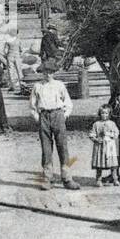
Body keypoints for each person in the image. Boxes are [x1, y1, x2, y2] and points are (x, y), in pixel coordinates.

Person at [29, 62, 78, 191]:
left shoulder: (59, 85)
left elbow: (68, 103)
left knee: (62, 147)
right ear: (42, 73)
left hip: (58, 115)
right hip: (44, 116)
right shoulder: (37, 86)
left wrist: (64, 115)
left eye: (50, 72)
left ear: (54, 73)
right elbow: (33, 106)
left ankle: (67, 178)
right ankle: (47, 178)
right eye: (45, 72)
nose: (48, 75)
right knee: (46, 149)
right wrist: (38, 118)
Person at [89, 105, 120, 186]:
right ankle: (98, 179)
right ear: (100, 114)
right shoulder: (96, 124)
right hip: (100, 147)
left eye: (106, 113)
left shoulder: (112, 123)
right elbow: (91, 134)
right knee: (99, 163)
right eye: (102, 113)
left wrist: (110, 134)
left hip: (110, 147)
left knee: (113, 164)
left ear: (109, 114)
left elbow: (116, 133)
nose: (104, 115)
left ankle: (115, 179)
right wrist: (96, 139)